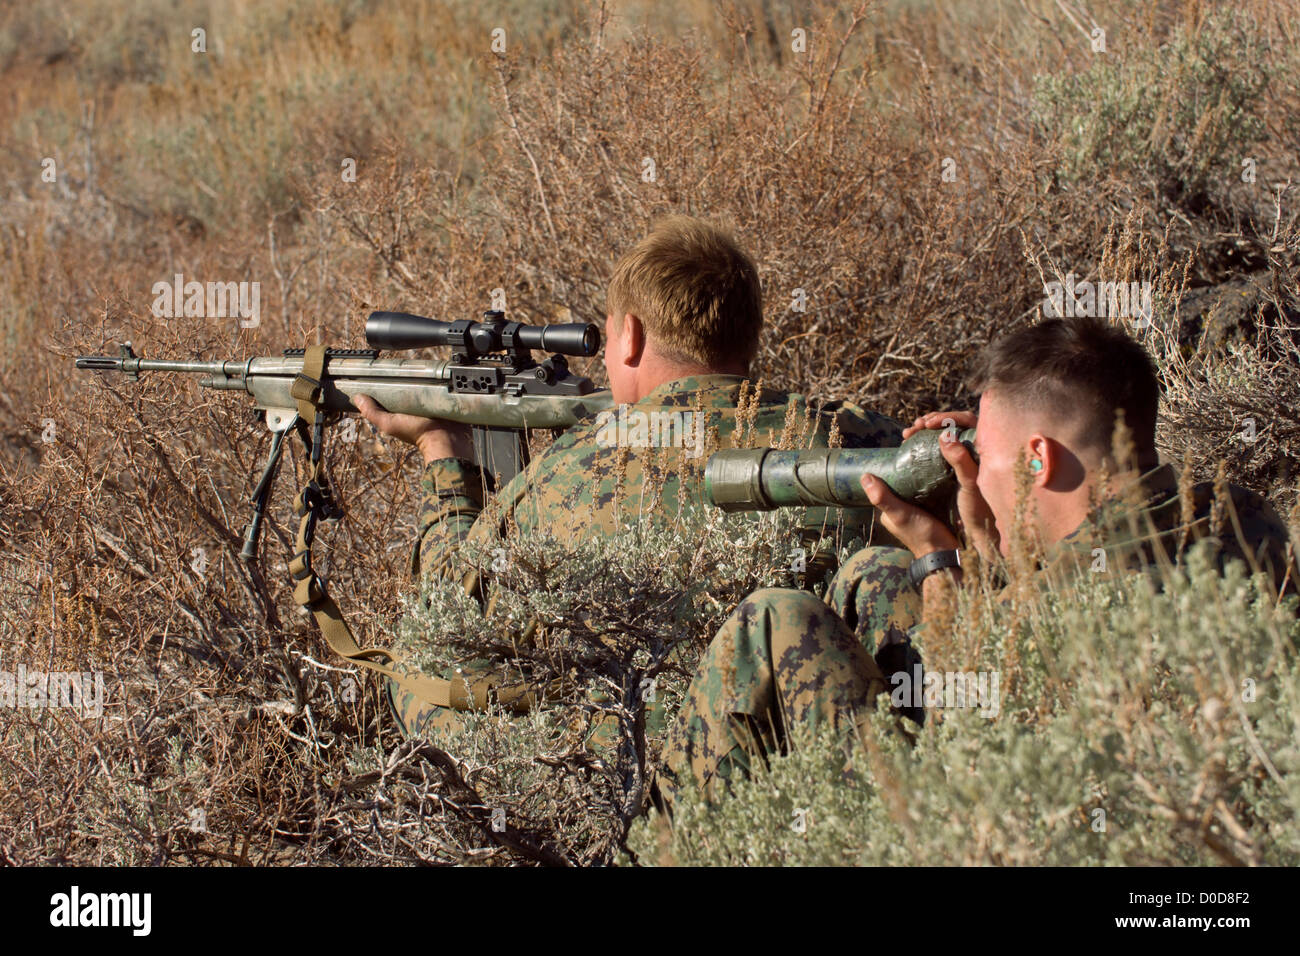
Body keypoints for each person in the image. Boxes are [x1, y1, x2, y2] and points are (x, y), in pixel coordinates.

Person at [653, 316, 1295, 806]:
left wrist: (938, 560)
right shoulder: (1240, 514)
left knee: (775, 618)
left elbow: (963, 753)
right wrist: (996, 444)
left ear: (1039, 459)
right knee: (876, 575)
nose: (976, 476)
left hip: (988, 818)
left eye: (985, 459)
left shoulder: (1077, 603)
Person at [354, 215, 904, 737]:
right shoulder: (857, 441)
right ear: (750, 336)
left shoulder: (569, 469)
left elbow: (447, 610)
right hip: (812, 748)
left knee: (412, 674)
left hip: (638, 779)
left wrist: (441, 449)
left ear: (631, 336)